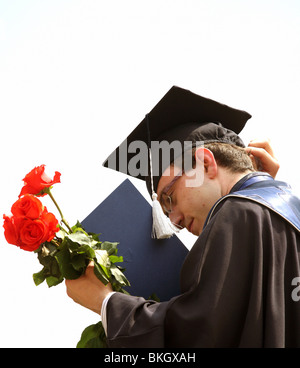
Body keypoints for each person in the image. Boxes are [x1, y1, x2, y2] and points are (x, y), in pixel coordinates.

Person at [66, 86, 299, 348]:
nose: (174, 220)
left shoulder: (237, 214)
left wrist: (106, 303)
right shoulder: (282, 214)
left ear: (205, 164)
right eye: (165, 212)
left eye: (169, 197)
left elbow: (201, 333)